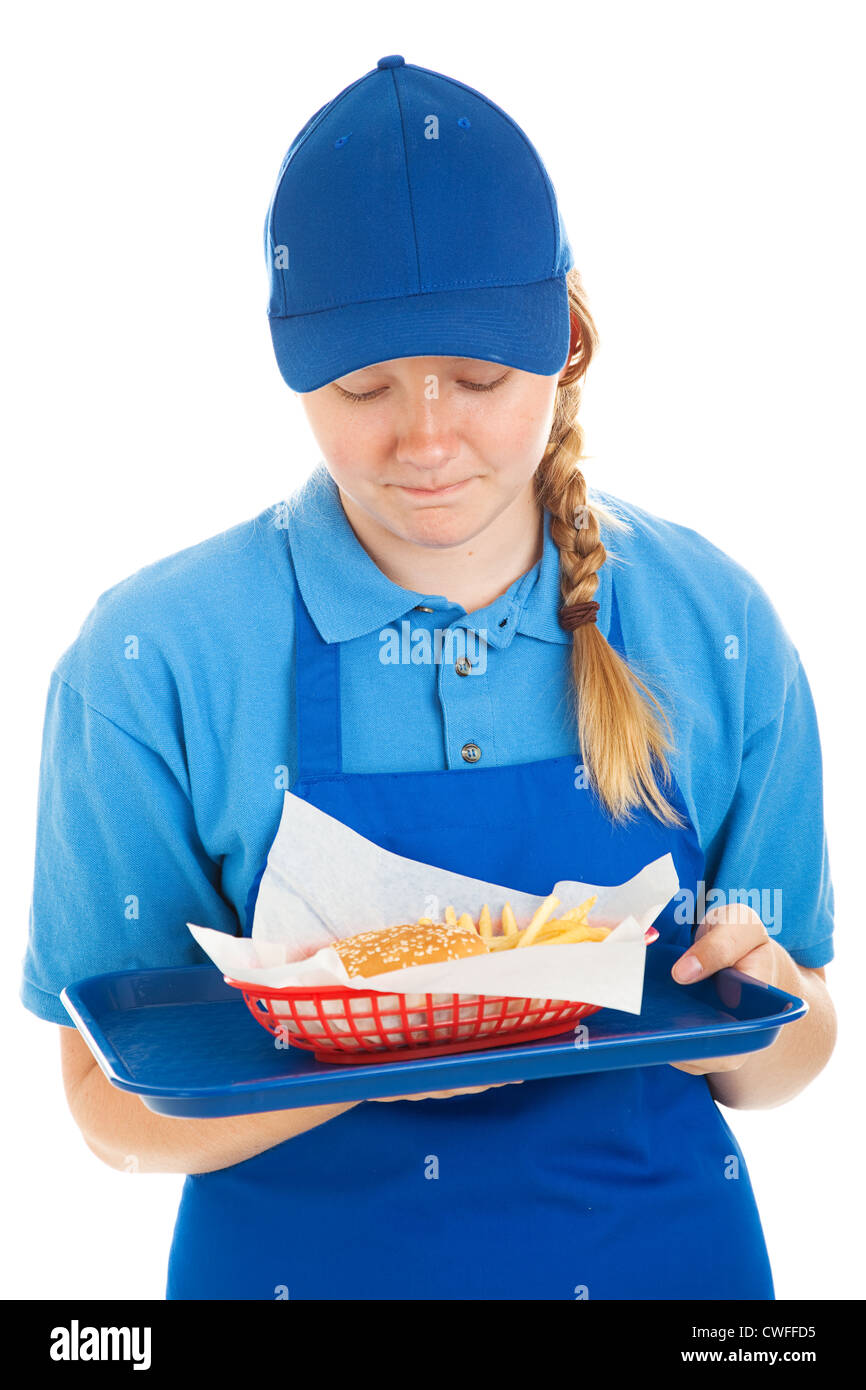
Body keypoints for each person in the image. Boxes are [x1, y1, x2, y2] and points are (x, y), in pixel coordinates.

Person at [22, 55, 836, 1301]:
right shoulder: (155, 661)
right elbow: (106, 1107)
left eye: (479, 378)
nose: (426, 440)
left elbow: (793, 1048)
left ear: (564, 340)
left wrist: (764, 1001)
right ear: (290, 362)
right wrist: (376, 1063)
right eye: (362, 386)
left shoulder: (708, 622)